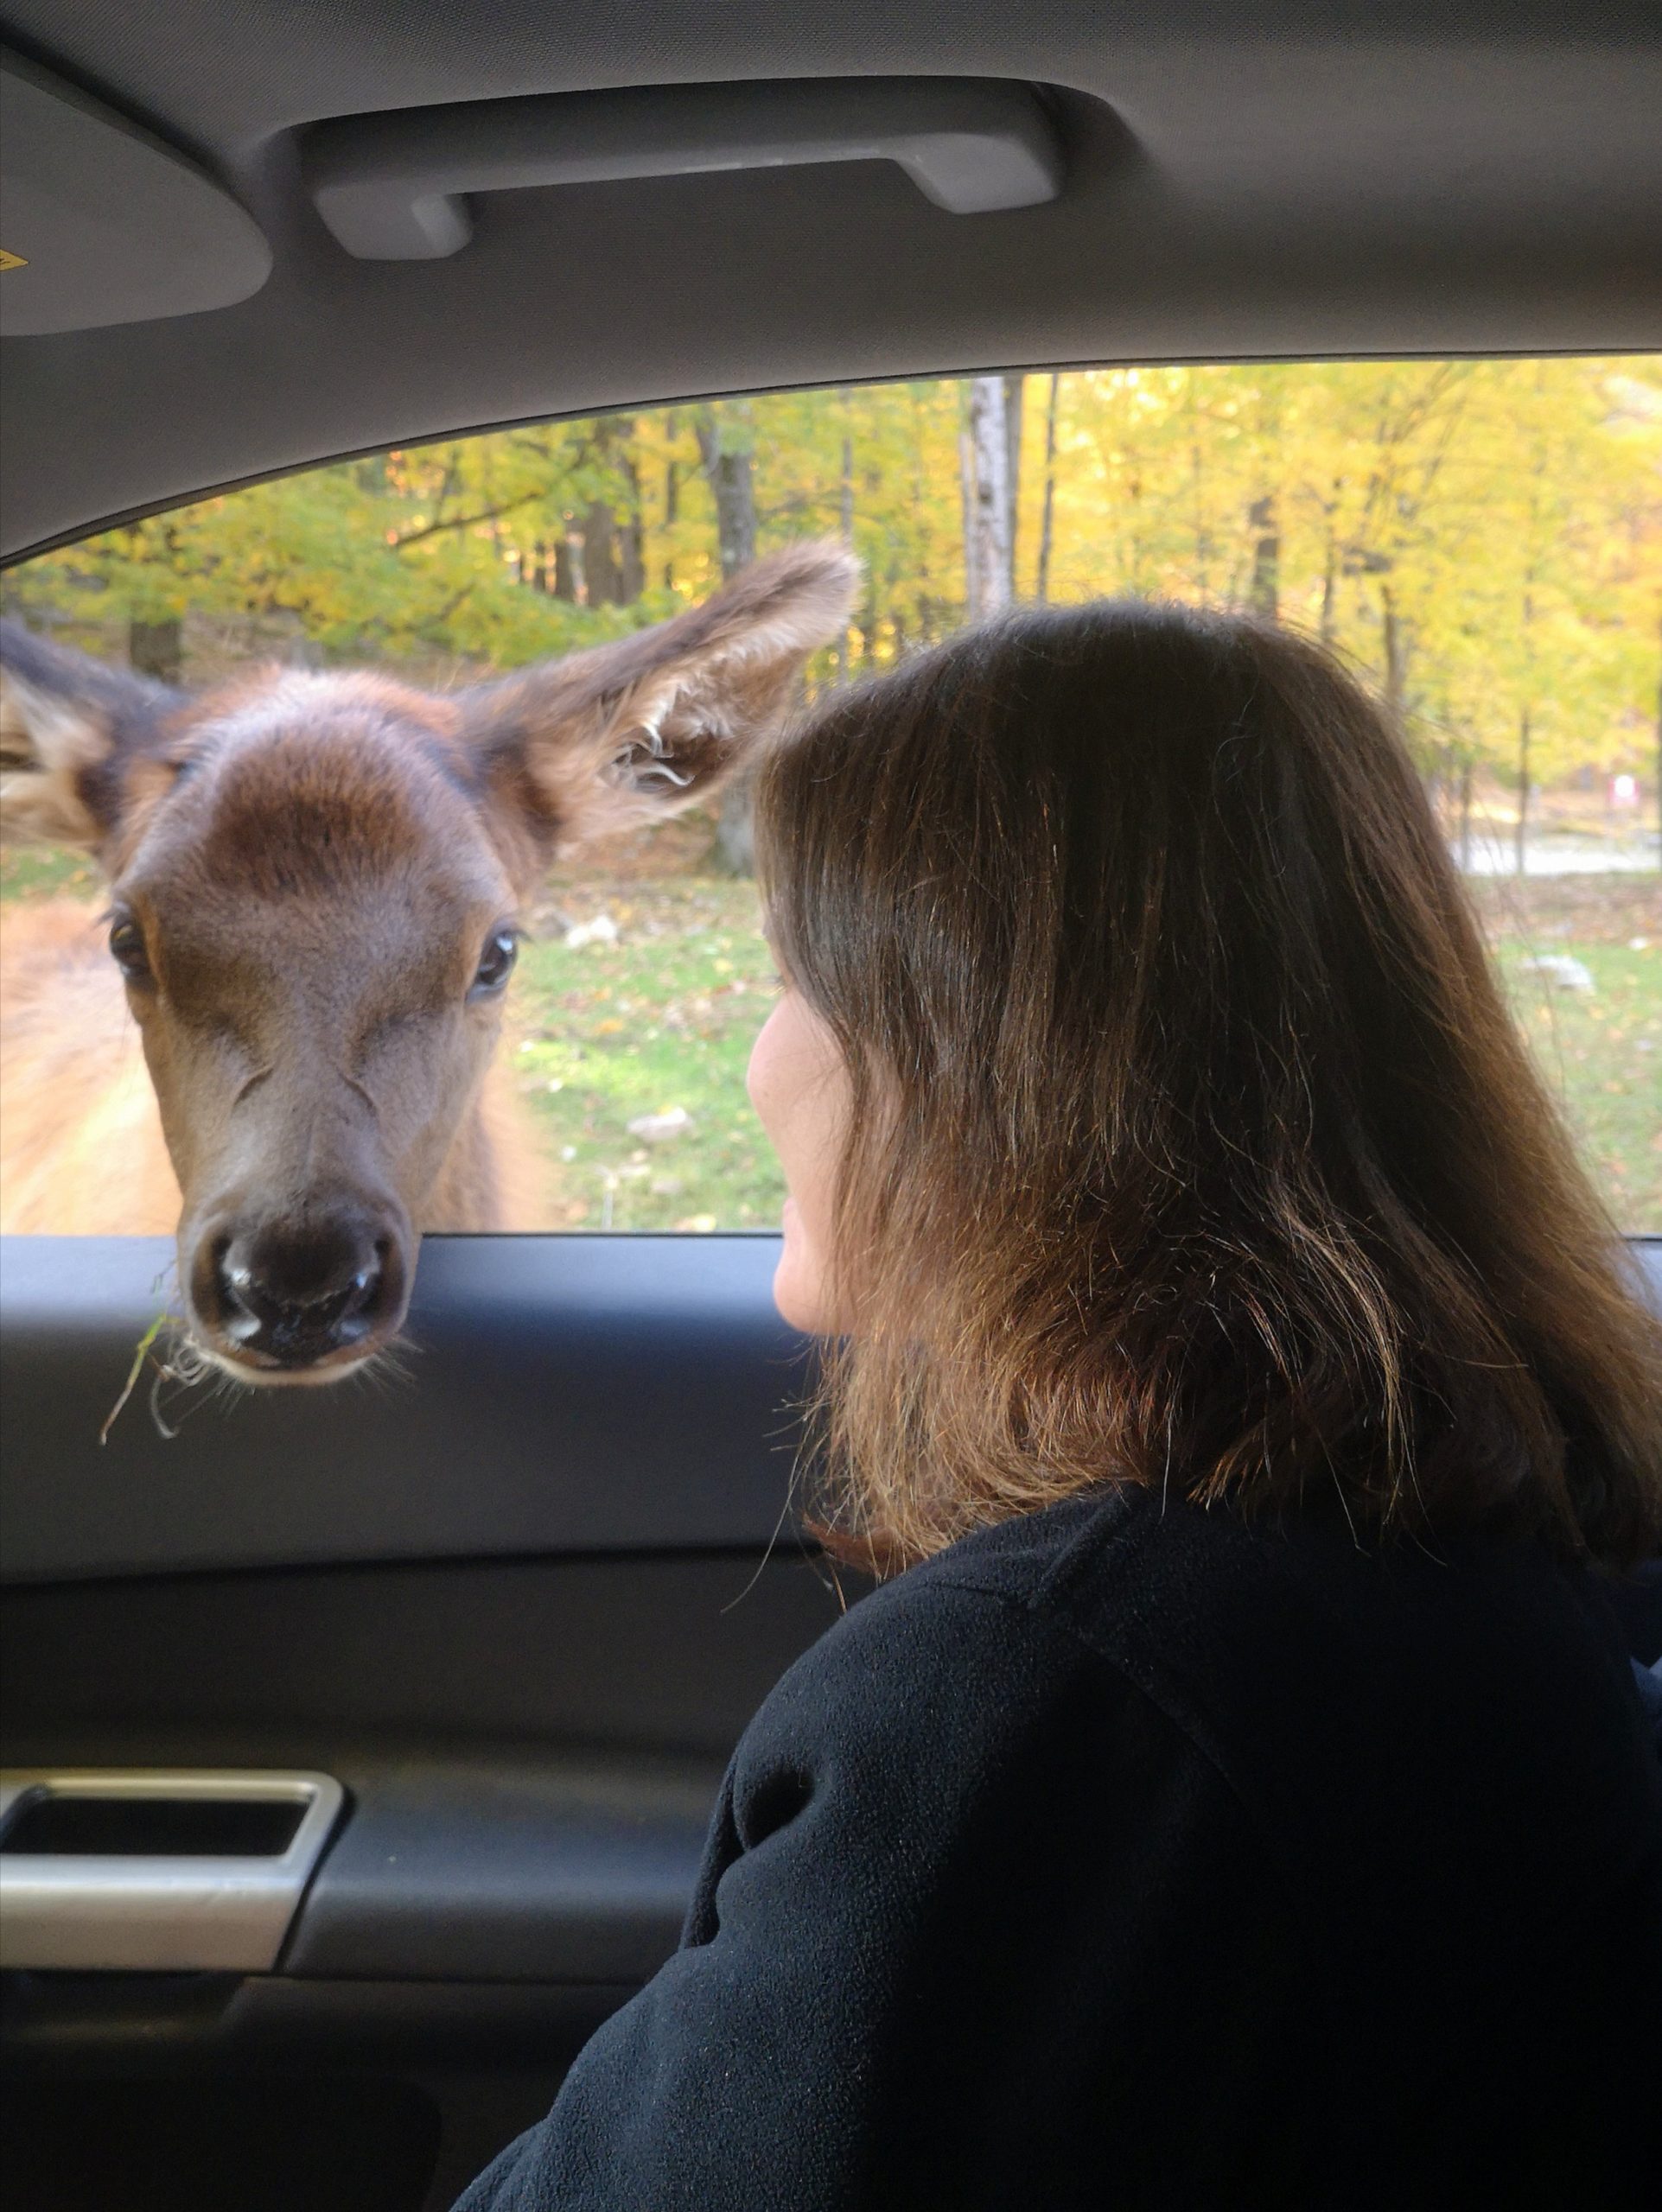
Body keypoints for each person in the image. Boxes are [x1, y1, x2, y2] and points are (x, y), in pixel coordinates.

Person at [455, 601, 1662, 2210]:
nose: (761, 1061)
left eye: (801, 980)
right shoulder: (1490, 1544)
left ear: (1003, 1066)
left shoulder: (1059, 1708)